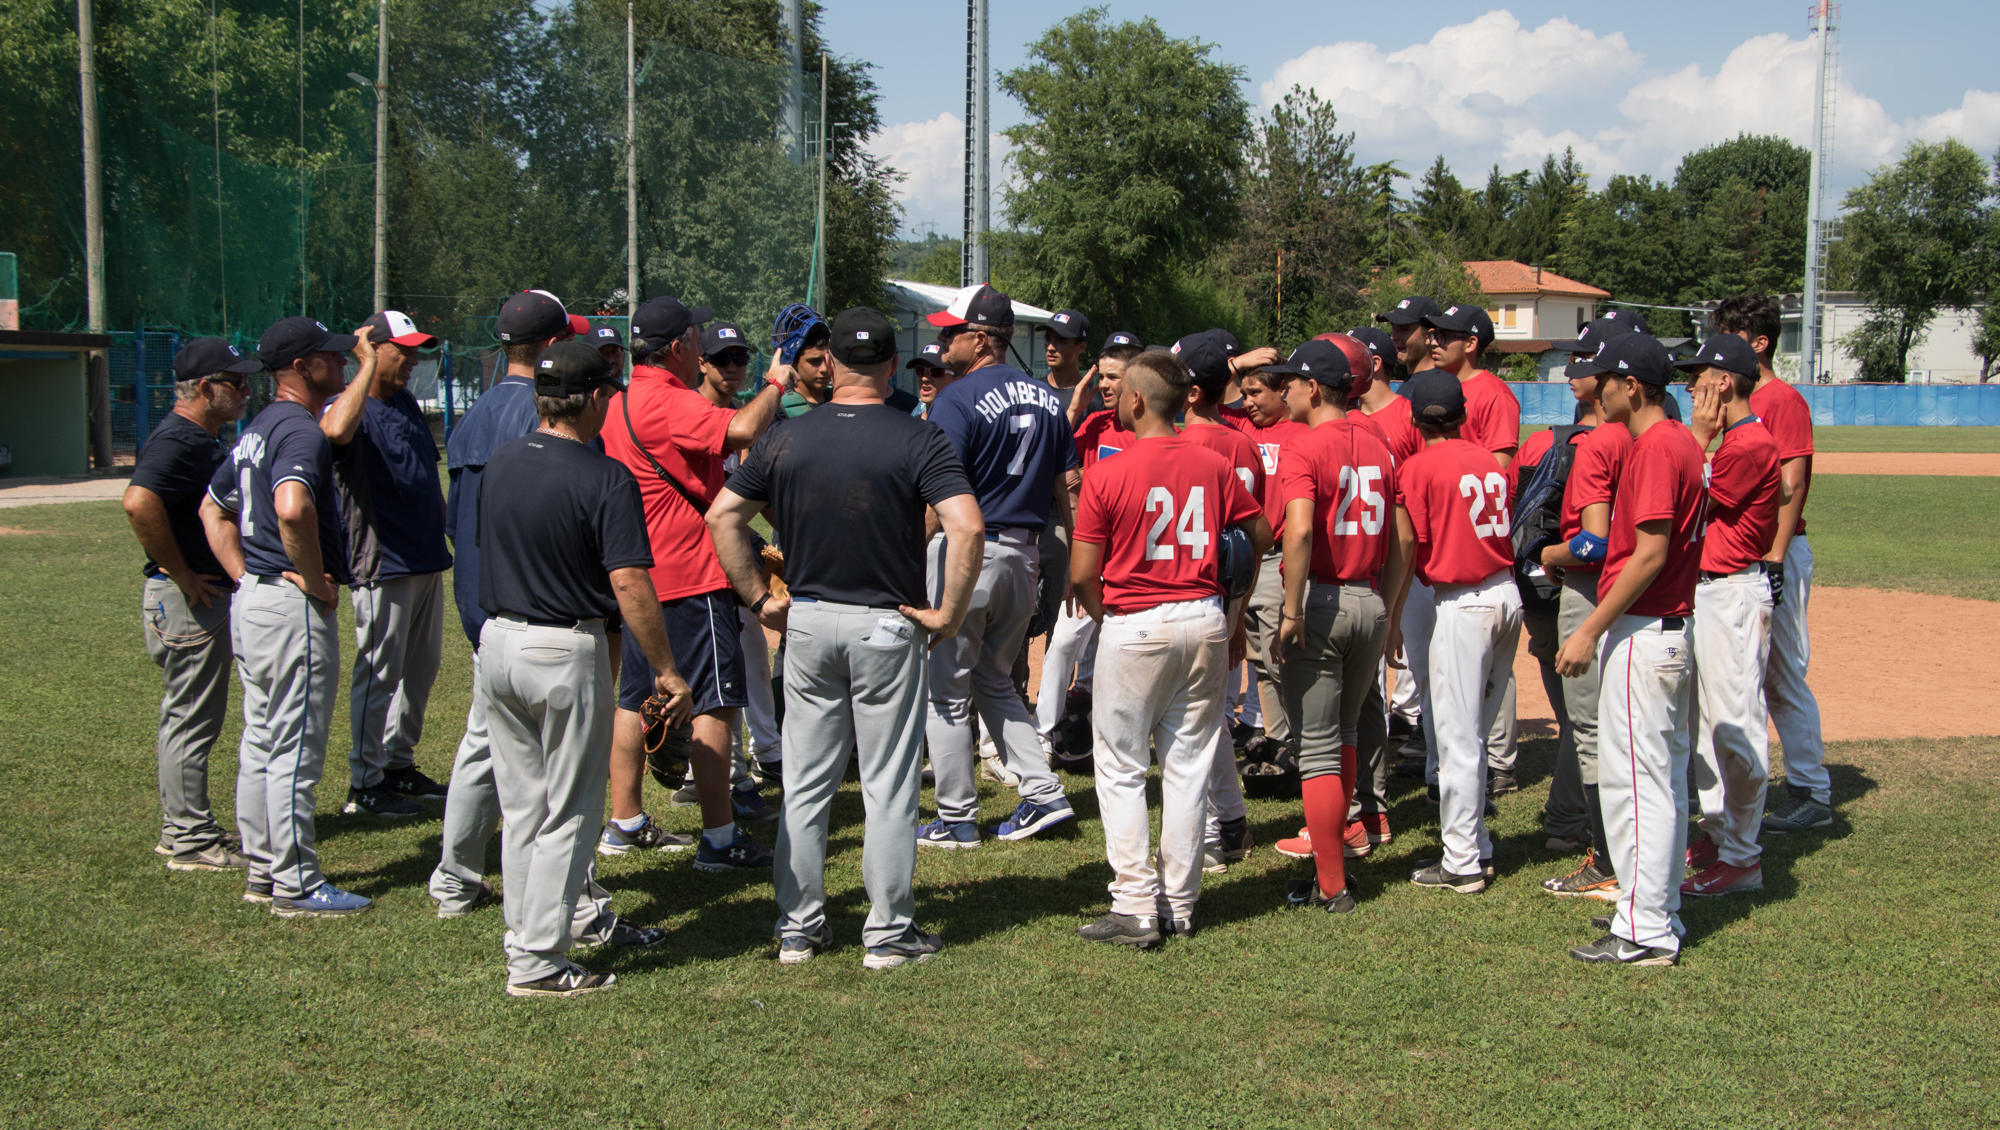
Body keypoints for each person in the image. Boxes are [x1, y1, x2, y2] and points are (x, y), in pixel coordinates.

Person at [708, 307, 981, 969]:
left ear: (829, 366)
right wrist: (947, 612)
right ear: (893, 366)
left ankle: (798, 928)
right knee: (887, 785)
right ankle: (887, 934)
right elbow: (967, 527)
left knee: (805, 782)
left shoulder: (784, 436)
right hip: (886, 624)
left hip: (807, 620)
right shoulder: (917, 435)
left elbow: (723, 515)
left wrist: (758, 598)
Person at [475, 339, 693, 997]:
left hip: (498, 644)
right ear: (595, 397)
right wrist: (665, 668)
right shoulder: (602, 475)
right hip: (562, 650)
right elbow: (628, 580)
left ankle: (534, 936)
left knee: (523, 809)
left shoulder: (504, 461)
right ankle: (538, 961)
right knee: (568, 813)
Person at [1069, 349, 1270, 947]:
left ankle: (1134, 903)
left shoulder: (1109, 469)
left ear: (1134, 400)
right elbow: (1260, 535)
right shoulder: (1213, 461)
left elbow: (1083, 574)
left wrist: (1110, 618)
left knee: (1122, 766)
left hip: (1137, 619)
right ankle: (1179, 904)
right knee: (1188, 765)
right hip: (1205, 615)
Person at [599, 294, 789, 869]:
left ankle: (625, 821)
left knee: (637, 700)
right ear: (680, 347)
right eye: (699, 338)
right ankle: (719, 838)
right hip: (691, 575)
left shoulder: (623, 402)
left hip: (644, 577)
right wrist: (776, 382)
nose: (705, 348)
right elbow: (740, 428)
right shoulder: (665, 399)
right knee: (715, 705)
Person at [198, 316, 374, 916]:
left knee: (261, 738)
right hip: (288, 606)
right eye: (329, 355)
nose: (342, 361)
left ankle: (263, 867)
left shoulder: (256, 427)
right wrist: (311, 578)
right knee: (295, 748)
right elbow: (293, 508)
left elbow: (212, 510)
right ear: (301, 368)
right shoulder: (300, 429)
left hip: (252, 600)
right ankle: (295, 882)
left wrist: (246, 576)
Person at [1552, 332, 1706, 966]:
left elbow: (1649, 554)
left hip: (1646, 629)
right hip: (1663, 630)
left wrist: (1590, 628)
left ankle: (1645, 930)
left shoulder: (1655, 448)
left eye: (1606, 379)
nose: (1599, 389)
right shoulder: (1680, 442)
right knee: (1659, 785)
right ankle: (1653, 912)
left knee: (1637, 788)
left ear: (1632, 386)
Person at [916, 284, 1078, 848]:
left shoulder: (955, 400)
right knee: (994, 679)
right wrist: (1078, 557)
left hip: (970, 552)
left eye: (950, 332)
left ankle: (957, 818)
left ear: (980, 339)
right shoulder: (1049, 400)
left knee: (947, 689)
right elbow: (1068, 488)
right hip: (1025, 555)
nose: (942, 342)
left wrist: (912, 555)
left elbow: (941, 497)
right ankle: (1043, 792)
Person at [1263, 339, 1396, 912]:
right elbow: (1406, 539)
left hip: (1322, 598)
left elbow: (1298, 531)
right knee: (1344, 735)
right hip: (1370, 598)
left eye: (1292, 381)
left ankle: (1332, 884)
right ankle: (1339, 855)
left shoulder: (1304, 445)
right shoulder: (1382, 444)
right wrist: (1388, 608)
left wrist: (1290, 611)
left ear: (1313, 388)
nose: (1286, 389)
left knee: (1316, 748)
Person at [1384, 370, 1521, 895]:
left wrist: (1394, 615)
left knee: (1457, 738)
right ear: (1463, 416)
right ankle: (1478, 846)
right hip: (1506, 593)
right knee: (1475, 733)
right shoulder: (1488, 460)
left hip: (1463, 604)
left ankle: (1461, 861)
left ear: (1415, 419)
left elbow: (1406, 545)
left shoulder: (1417, 467)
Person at [126, 337, 256, 871]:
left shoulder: (194, 436)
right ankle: (188, 839)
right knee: (190, 719)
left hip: (189, 597)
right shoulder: (178, 438)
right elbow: (138, 502)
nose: (247, 391)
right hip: (185, 599)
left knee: (193, 717)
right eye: (236, 383)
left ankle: (186, 829)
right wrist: (180, 572)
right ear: (206, 388)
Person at [321, 309, 452, 819]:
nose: (413, 359)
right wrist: (364, 367)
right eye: (403, 350)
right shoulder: (349, 404)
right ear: (374, 349)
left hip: (424, 557)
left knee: (421, 670)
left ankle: (398, 763)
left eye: (416, 349)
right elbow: (333, 434)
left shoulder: (404, 403)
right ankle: (365, 781)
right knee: (379, 673)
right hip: (381, 561)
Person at [1716, 294, 1832, 833]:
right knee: (1747, 675)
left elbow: (1794, 484)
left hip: (1775, 551)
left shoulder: (1780, 399)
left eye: (1730, 335)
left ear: (1759, 343)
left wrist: (1776, 557)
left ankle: (1812, 790)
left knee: (1783, 674)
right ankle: (1750, 785)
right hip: (1748, 555)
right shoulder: (1734, 400)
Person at [1536, 321, 1643, 897]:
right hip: (1636, 596)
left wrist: (1547, 552)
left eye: (1583, 363)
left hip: (1591, 588)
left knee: (1591, 729)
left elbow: (1591, 543)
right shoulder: (1651, 436)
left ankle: (1605, 861)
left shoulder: (1601, 441)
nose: (1574, 371)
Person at [1676, 334, 1782, 896]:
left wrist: (1699, 436)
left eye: (1700, 376)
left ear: (1724, 382)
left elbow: (1686, 496)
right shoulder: (1737, 440)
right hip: (1715, 593)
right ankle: (1721, 834)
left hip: (1733, 593)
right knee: (1708, 728)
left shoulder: (1748, 444)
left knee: (1734, 727)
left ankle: (1743, 856)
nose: (1692, 386)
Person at [1172, 330, 1268, 872]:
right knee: (1207, 711)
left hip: (1190, 586)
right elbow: (1259, 532)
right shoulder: (1244, 441)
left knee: (1194, 715)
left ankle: (1218, 830)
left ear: (1188, 392)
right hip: (1230, 586)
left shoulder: (1185, 445)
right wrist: (1241, 609)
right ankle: (1229, 822)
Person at [692, 321, 782, 817]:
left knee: (748, 659)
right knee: (719, 676)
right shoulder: (701, 416)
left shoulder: (735, 417)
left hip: (733, 563)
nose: (731, 367)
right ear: (700, 361)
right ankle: (726, 773)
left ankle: (762, 755)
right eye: (721, 358)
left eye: (738, 358)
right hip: (698, 571)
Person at [1036, 333, 1143, 748]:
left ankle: (1115, 735)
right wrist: (1076, 406)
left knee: (1119, 654)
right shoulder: (1095, 424)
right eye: (1102, 376)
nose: (1105, 385)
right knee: (1064, 642)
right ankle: (1044, 735)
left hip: (1132, 563)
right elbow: (1048, 453)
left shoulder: (1151, 432)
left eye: (1114, 377)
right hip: (1093, 558)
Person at [1232, 362, 1309, 780]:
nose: (1248, 402)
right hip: (1249, 556)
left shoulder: (1301, 431)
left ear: (1283, 391)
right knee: (1258, 660)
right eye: (1243, 394)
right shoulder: (1245, 431)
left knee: (1284, 659)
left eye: (1256, 393)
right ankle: (1280, 744)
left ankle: (1303, 742)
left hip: (1280, 558)